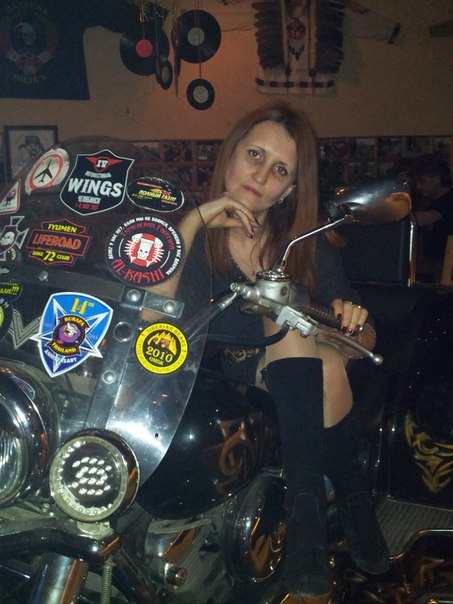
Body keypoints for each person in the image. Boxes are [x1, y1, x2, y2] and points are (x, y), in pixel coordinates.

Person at [171, 102, 389, 597]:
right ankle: (353, 502)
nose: (261, 175)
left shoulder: (305, 244)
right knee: (297, 329)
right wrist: (191, 223)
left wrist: (346, 326)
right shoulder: (197, 241)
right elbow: (153, 322)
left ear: (289, 189)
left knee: (316, 348)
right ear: (231, 155)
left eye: (280, 170)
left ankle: (305, 522)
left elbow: (369, 339)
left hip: (309, 376)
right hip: (227, 383)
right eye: (254, 155)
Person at [412, 153, 453, 280]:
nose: (418, 186)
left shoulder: (449, 200)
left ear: (436, 178)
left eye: (422, 181)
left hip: (445, 270)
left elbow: (419, 220)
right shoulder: (434, 202)